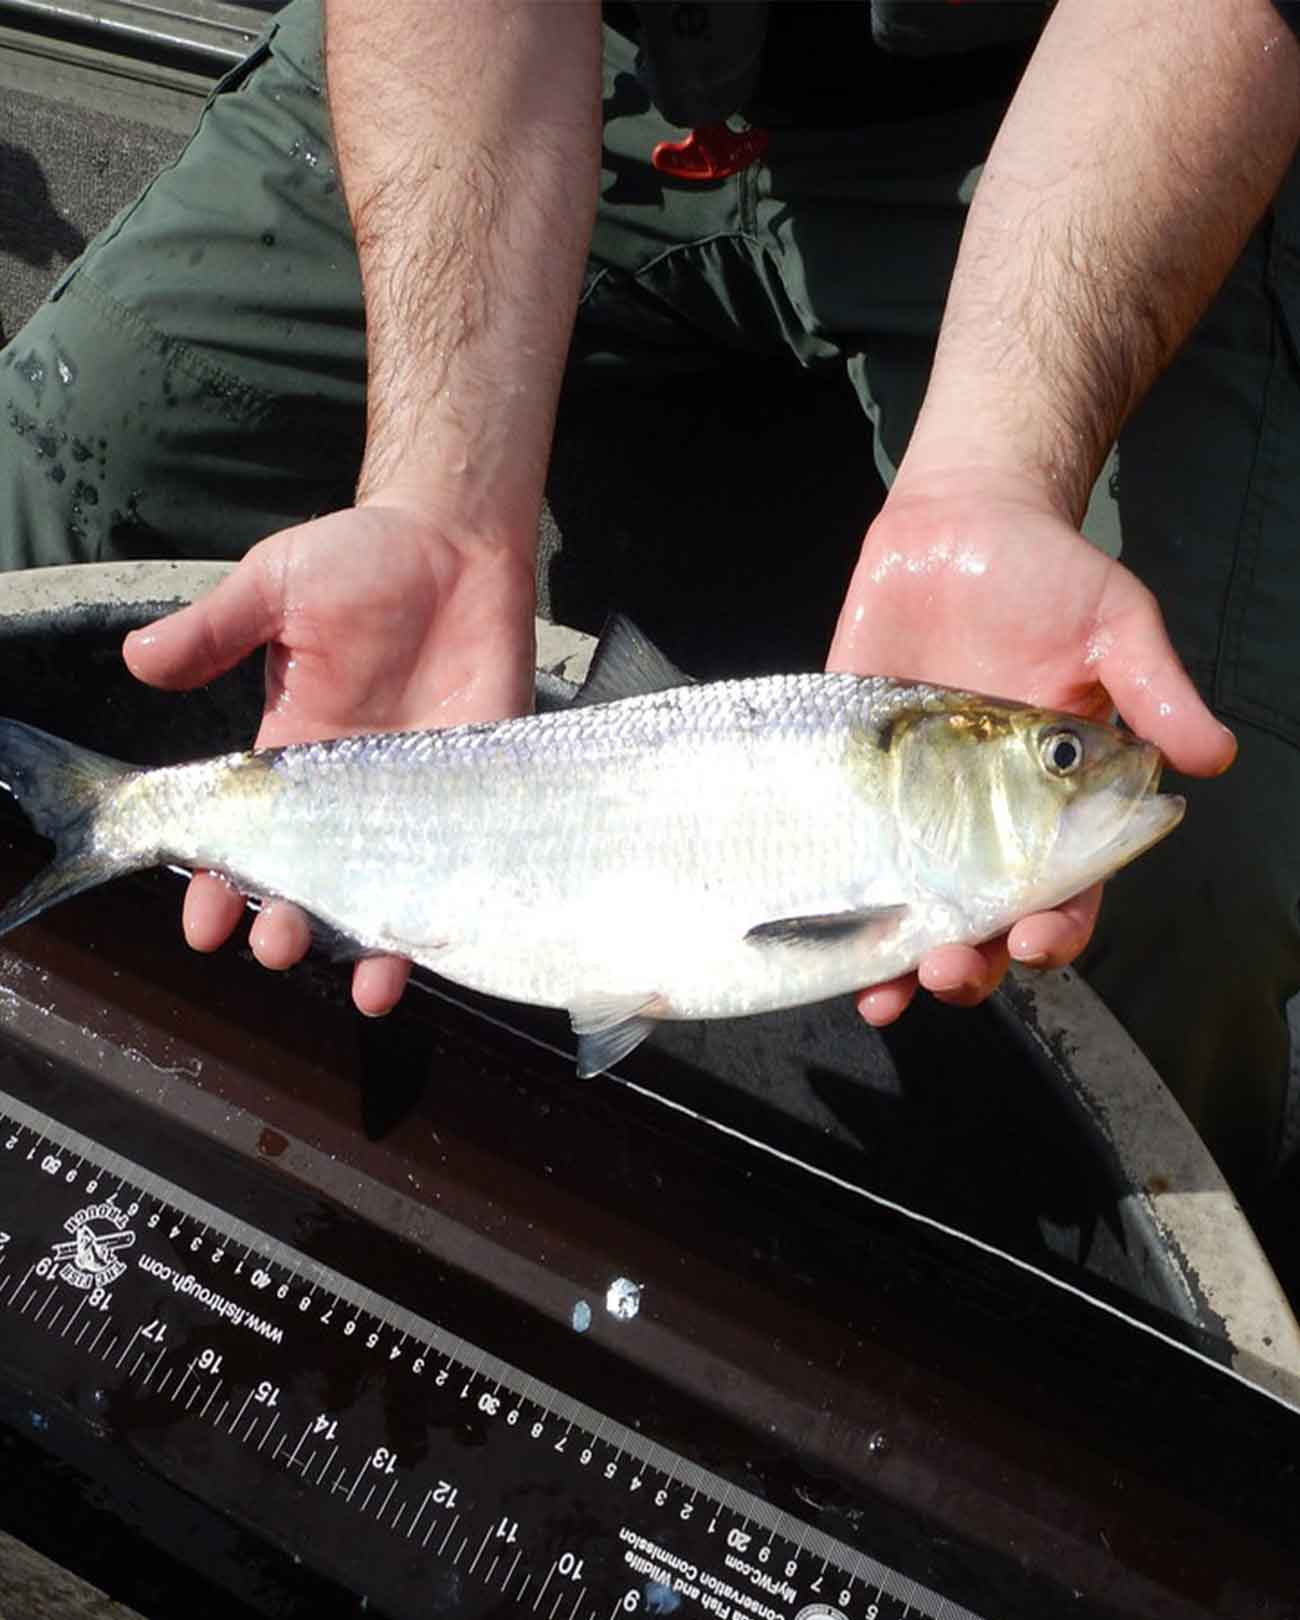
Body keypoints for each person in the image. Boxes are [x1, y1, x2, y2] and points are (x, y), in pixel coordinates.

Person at [1, 0, 1298, 1197]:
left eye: (1054, 757)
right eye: (1058, 759)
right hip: (525, 73)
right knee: (45, 479)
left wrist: (1007, 471)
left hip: (1059, 127)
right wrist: (439, 483)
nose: (1081, 764)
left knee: (1213, 888)